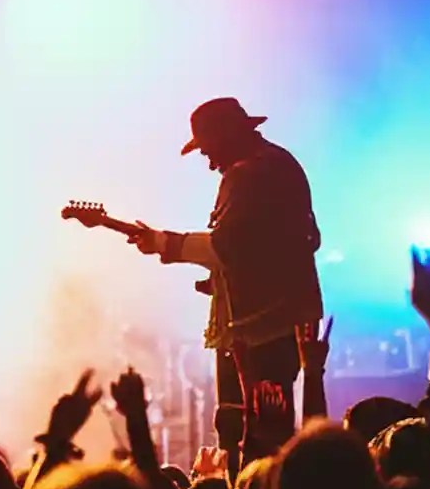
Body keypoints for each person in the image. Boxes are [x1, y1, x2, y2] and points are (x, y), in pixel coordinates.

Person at [128, 97, 323, 467]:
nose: (208, 160)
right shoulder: (277, 164)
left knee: (247, 429)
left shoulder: (249, 174)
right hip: (276, 321)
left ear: (229, 137)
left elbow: (229, 245)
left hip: (262, 327)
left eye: (208, 149)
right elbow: (262, 248)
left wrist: (164, 243)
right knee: (266, 424)